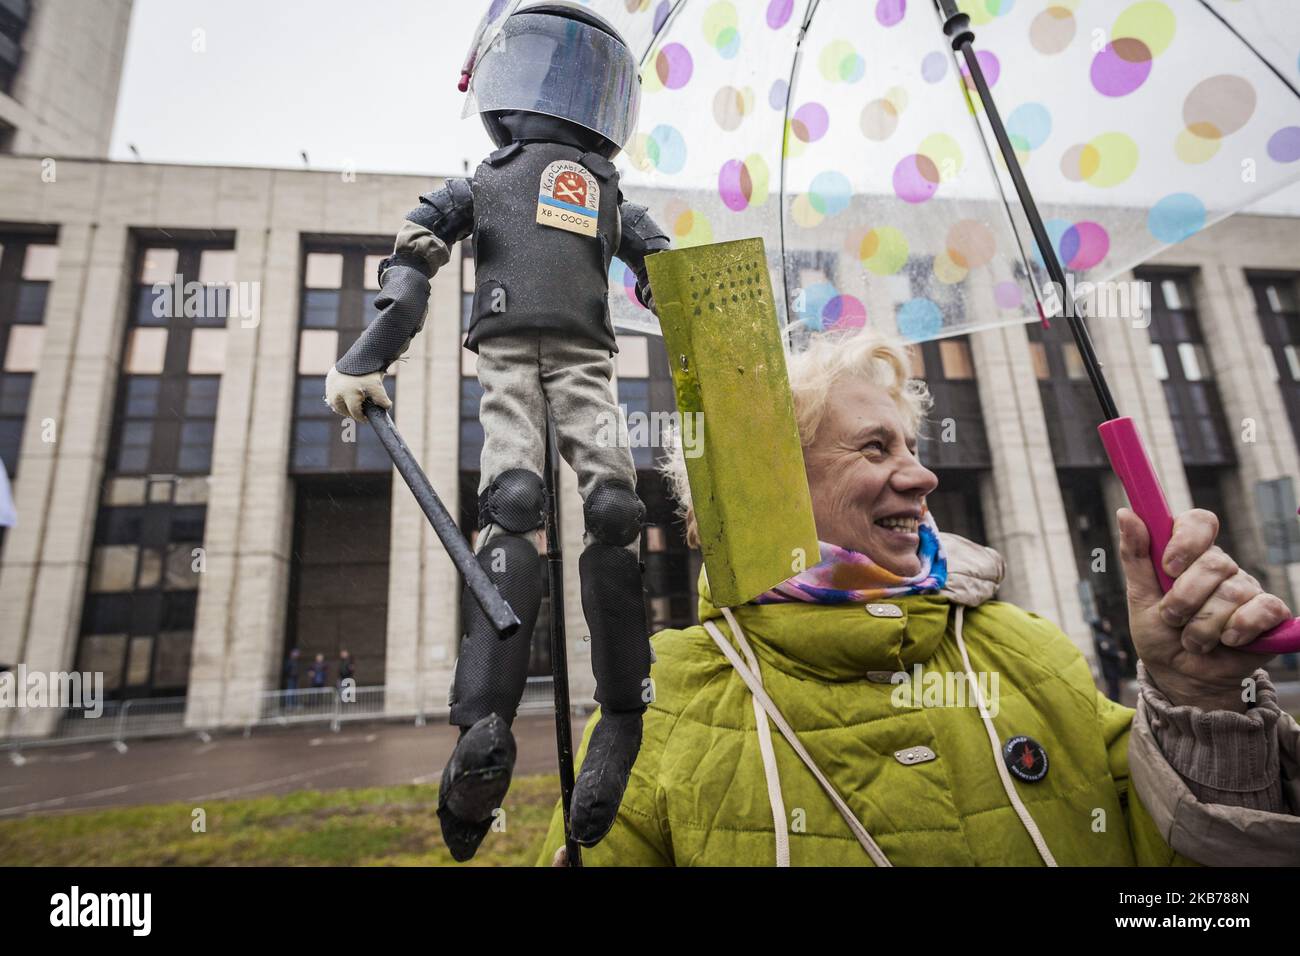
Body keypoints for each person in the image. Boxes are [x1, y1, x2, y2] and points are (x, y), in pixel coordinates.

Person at [539, 328, 1300, 866]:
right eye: (876, 447)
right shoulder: (659, 700)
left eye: (911, 446)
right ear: (765, 481)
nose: (923, 476)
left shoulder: (1029, 650)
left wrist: (1204, 702)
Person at [324, 2, 668, 862]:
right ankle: (487, 725)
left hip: (579, 355)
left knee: (611, 512)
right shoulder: (498, 184)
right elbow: (413, 262)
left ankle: (617, 717)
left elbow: (669, 272)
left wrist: (369, 352)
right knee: (520, 502)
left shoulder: (590, 195)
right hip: (527, 353)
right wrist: (373, 350)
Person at [1090, 616, 1128, 703]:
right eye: (1106, 624)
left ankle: (1117, 703)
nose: (1108, 625)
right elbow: (1106, 651)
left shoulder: (1107, 636)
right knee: (1113, 688)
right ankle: (1114, 704)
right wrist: (1118, 654)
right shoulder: (1100, 638)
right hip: (1109, 667)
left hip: (1114, 666)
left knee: (1116, 687)